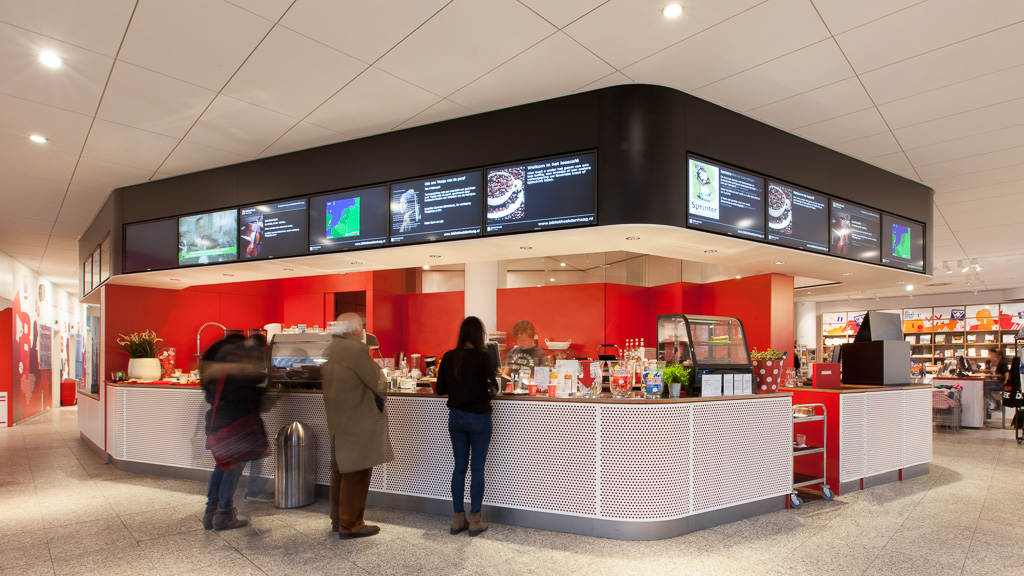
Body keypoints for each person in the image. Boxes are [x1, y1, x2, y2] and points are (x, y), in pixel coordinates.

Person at [322, 312, 393, 539]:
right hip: (358, 420)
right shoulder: (354, 350)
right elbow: (378, 382)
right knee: (357, 471)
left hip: (337, 418)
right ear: (354, 330)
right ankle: (351, 524)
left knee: (340, 470)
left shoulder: (329, 349)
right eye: (362, 327)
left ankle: (337, 518)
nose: (363, 331)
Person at [435, 316, 499, 536]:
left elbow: (439, 388)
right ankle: (475, 521)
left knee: (459, 467)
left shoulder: (449, 356)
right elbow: (493, 388)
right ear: (478, 335)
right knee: (477, 468)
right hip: (479, 418)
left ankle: (457, 520)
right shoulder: (483, 357)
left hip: (456, 418)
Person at [201, 334, 268, 531]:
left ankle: (210, 511)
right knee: (233, 468)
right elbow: (255, 392)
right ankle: (224, 514)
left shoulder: (217, 368)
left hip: (216, 421)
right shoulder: (242, 372)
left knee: (221, 467)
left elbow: (209, 393)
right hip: (236, 425)